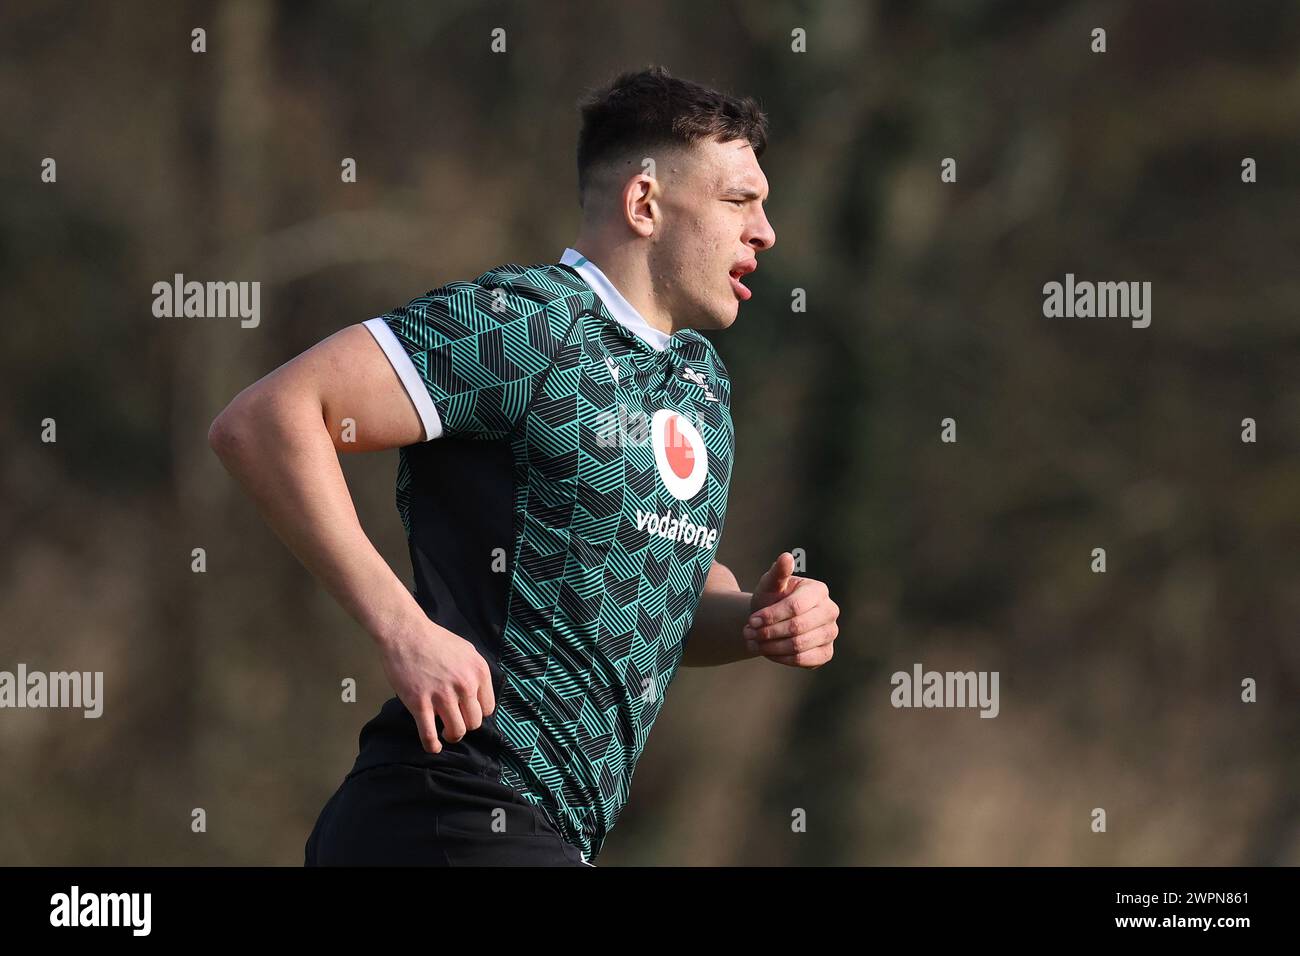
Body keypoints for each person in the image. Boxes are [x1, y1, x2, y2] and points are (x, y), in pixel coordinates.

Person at [209, 65, 840, 867]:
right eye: (738, 201)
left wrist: (753, 616)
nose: (765, 232)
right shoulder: (525, 328)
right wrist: (401, 627)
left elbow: (661, 583)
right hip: (449, 809)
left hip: (535, 833)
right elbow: (264, 421)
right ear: (644, 203)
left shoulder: (700, 385)